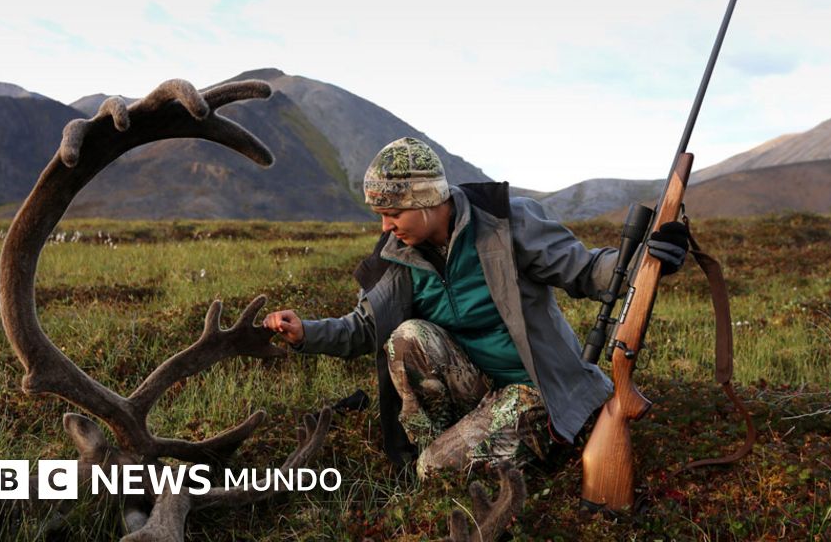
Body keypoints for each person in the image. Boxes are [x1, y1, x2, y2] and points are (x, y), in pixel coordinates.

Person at [263, 137, 688, 477]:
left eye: (393, 213)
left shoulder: (508, 224)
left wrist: (646, 261)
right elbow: (364, 329)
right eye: (380, 214)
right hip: (477, 390)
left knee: (433, 470)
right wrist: (305, 332)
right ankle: (450, 448)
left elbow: (589, 271)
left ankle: (470, 456)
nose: (385, 226)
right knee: (406, 337)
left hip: (536, 391)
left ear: (428, 201)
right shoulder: (396, 255)